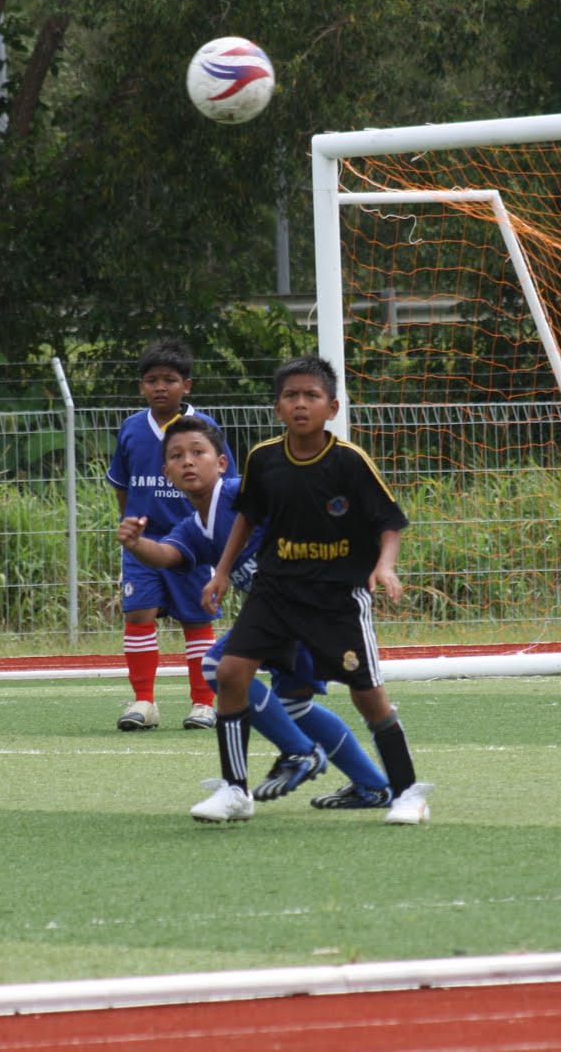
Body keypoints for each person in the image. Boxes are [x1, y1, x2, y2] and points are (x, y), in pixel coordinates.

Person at [195, 354, 432, 825]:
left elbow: (389, 524)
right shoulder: (263, 459)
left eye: (311, 396)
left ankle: (407, 793)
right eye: (290, 395)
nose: (300, 404)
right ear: (278, 407)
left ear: (333, 407)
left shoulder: (349, 462)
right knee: (230, 673)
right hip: (275, 592)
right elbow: (248, 517)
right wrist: (221, 573)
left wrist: (384, 569)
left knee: (369, 697)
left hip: (336, 598)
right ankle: (235, 790)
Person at [116, 415, 395, 806]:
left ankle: (294, 757)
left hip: (309, 604)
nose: (188, 462)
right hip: (287, 614)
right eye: (177, 456)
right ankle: (373, 785)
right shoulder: (196, 525)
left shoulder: (238, 495)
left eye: (198, 452)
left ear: (223, 463)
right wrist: (136, 544)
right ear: (166, 472)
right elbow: (165, 555)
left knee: (220, 667)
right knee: (293, 704)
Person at [105, 340, 235, 732]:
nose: (160, 387)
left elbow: (225, 488)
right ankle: (144, 701)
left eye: (170, 380)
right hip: (145, 543)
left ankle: (203, 703)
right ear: (141, 386)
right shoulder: (131, 429)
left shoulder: (205, 429)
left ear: (187, 386)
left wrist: (216, 533)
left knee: (196, 618)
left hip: (192, 542)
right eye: (152, 381)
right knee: (138, 612)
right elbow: (122, 484)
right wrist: (132, 523)